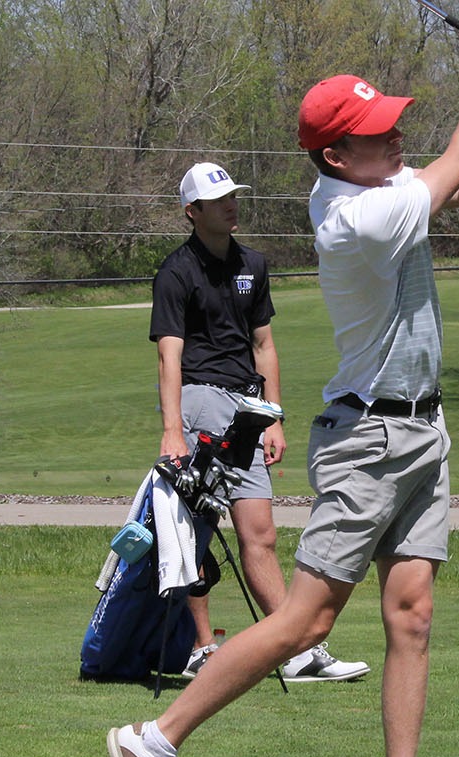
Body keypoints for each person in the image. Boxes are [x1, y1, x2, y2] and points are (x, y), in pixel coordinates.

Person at [109, 23, 459, 757]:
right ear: (340, 156)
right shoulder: (357, 217)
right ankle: (150, 742)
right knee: (305, 622)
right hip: (367, 438)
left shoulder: (381, 183)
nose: (399, 136)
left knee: (411, 616)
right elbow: (455, 167)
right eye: (380, 132)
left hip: (422, 433)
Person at [151, 161, 370, 684]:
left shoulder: (254, 263)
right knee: (194, 533)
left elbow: (264, 346)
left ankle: (293, 648)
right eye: (218, 199)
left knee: (261, 533)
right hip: (200, 401)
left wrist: (274, 417)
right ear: (193, 212)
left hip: (248, 409)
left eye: (233, 195)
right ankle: (202, 646)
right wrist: (172, 430)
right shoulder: (176, 272)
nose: (231, 204)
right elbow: (169, 358)